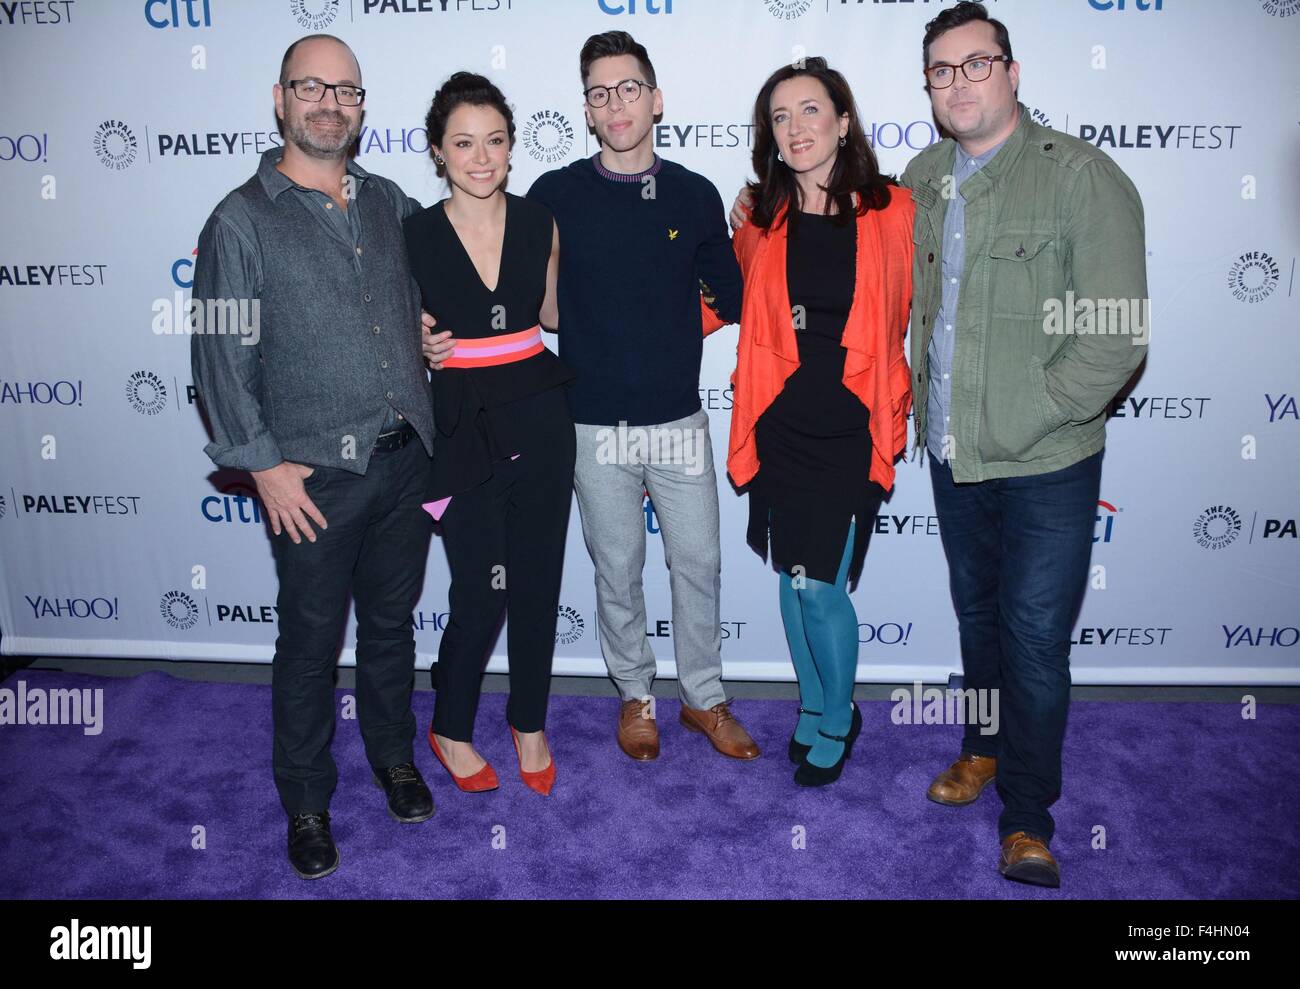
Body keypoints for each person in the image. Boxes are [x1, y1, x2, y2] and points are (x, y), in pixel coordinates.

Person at [733, 2, 1148, 885]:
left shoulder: (1081, 177)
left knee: (1033, 634)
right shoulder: (922, 181)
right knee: (976, 622)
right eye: (941, 70)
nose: (958, 82)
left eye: (976, 64)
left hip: (1046, 457)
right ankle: (983, 748)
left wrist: (1030, 414)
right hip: (950, 453)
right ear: (925, 85)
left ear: (1011, 69)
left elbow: (1116, 336)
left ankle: (1028, 816)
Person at [426, 31, 758, 762]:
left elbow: (734, 296)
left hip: (677, 417)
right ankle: (636, 696)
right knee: (617, 568)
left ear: (656, 99)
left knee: (698, 562)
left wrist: (758, 221)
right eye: (601, 92)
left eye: (629, 88)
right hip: (588, 422)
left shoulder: (695, 193)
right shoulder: (552, 197)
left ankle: (704, 697)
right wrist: (431, 333)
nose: (617, 103)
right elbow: (524, 302)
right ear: (586, 108)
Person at [191, 34, 439, 881]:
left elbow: (412, 306)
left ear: (362, 106)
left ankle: (394, 757)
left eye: (346, 91)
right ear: (280, 98)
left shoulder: (391, 201)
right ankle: (305, 798)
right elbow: (220, 356)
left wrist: (427, 336)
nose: (330, 103)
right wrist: (260, 464)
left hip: (407, 458)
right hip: (312, 477)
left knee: (390, 627)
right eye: (312, 87)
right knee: (306, 644)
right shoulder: (241, 218)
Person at [705, 58, 914, 786]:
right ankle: (809, 704)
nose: (796, 128)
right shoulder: (760, 218)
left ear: (844, 121)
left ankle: (840, 713)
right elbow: (719, 300)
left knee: (823, 584)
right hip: (780, 423)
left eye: (811, 111)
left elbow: (937, 299)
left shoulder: (895, 210)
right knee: (793, 580)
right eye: (780, 116)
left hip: (852, 424)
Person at [403, 72, 574, 797]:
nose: (482, 157)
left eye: (495, 141)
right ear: (438, 152)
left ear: (512, 146)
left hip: (541, 412)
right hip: (462, 425)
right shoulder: (410, 233)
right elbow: (389, 331)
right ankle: (451, 724)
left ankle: (529, 720)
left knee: (536, 582)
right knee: (480, 590)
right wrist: (415, 338)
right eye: (463, 143)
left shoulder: (541, 222)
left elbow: (558, 317)